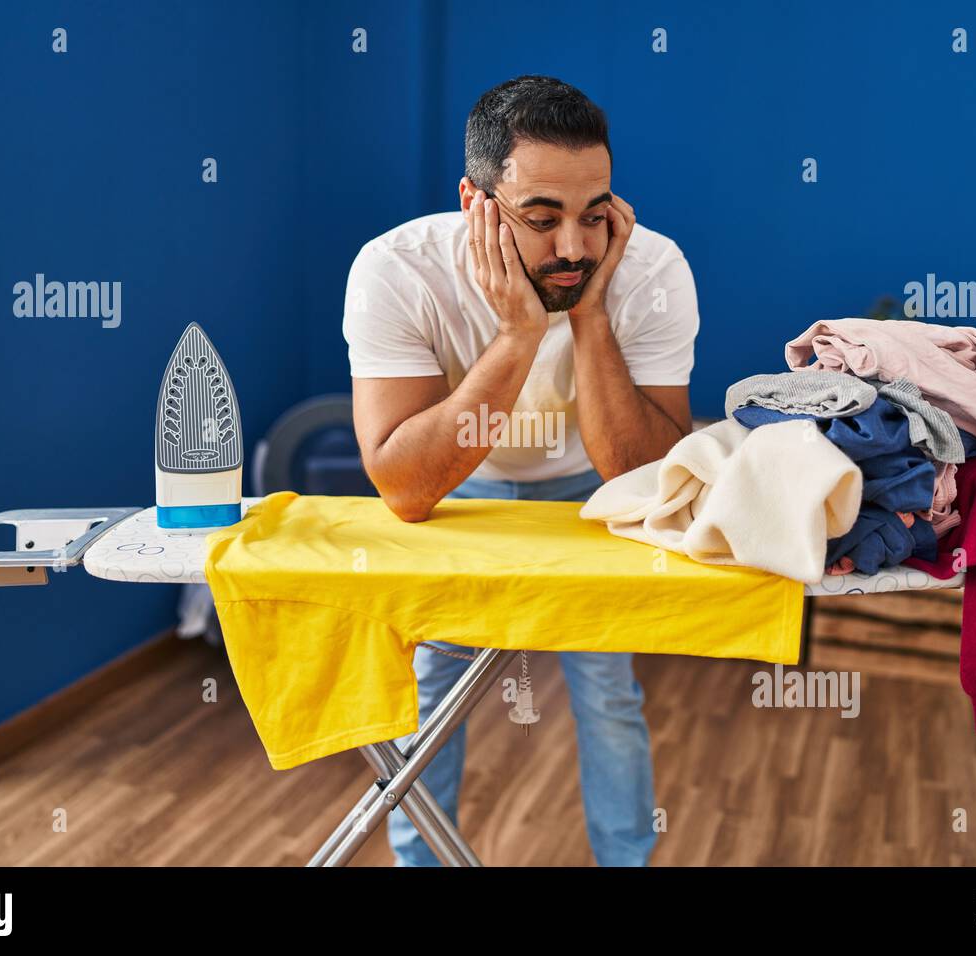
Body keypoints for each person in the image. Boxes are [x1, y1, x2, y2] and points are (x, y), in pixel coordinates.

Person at [342, 75, 700, 866]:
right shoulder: (396, 271)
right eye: (542, 219)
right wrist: (516, 336)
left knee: (608, 695)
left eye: (594, 214)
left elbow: (646, 476)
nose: (574, 247)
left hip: (597, 492)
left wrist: (592, 315)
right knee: (430, 698)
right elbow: (404, 486)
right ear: (475, 203)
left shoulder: (652, 272)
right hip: (455, 493)